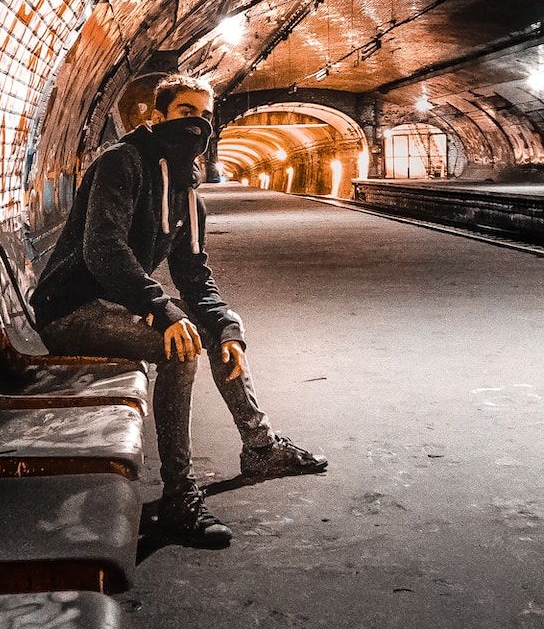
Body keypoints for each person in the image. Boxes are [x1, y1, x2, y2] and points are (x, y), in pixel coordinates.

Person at [30, 75, 326, 547]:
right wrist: (162, 310)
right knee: (180, 347)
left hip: (118, 305)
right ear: (156, 117)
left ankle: (260, 445)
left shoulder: (188, 194)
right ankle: (179, 496)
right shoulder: (121, 162)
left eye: (206, 115)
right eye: (186, 112)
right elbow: (102, 250)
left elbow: (194, 275)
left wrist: (224, 323)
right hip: (70, 310)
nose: (197, 124)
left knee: (218, 329)